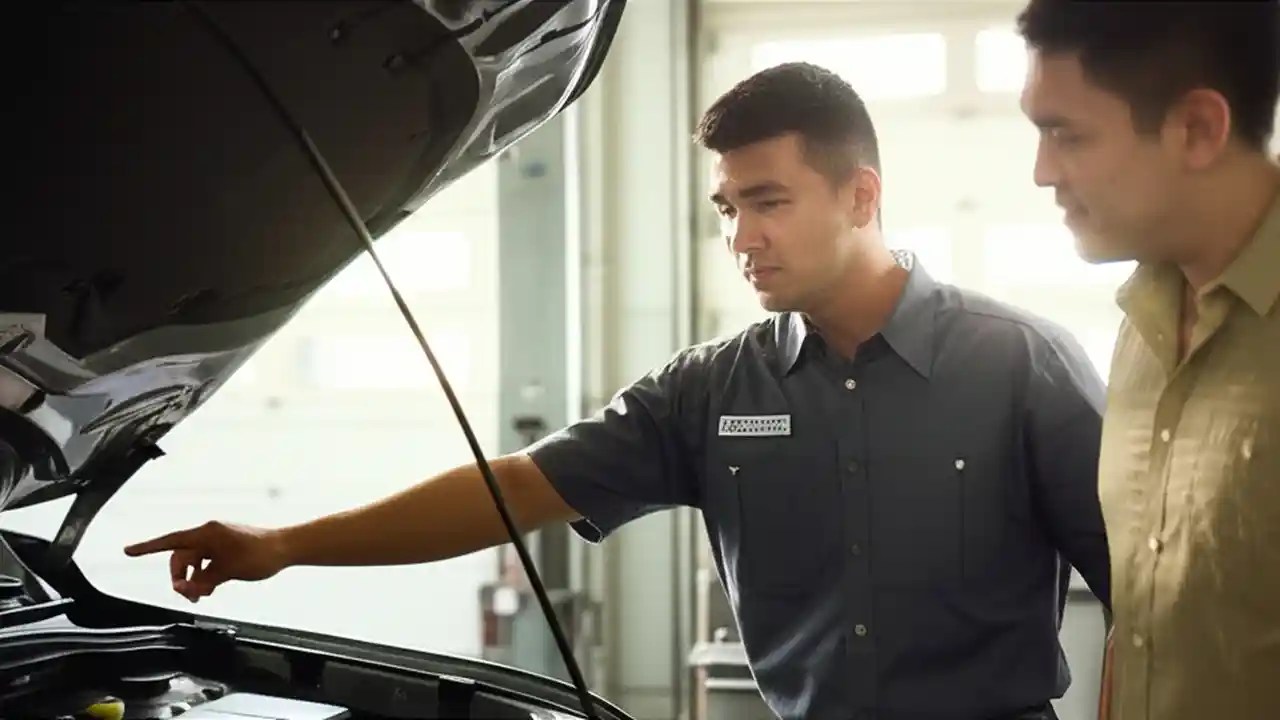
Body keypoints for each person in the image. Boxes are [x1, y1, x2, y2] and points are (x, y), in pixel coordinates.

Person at [125, 63, 1111, 720]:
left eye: (768, 202)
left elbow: (1148, 602)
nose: (741, 238)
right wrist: (283, 545)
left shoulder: (1021, 365)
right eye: (726, 208)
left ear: (860, 195)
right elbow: (514, 488)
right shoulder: (710, 390)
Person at [1015, 2, 1280, 719]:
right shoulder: (1144, 320)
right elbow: (1144, 626)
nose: (1042, 172)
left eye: (1067, 135)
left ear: (1196, 128)